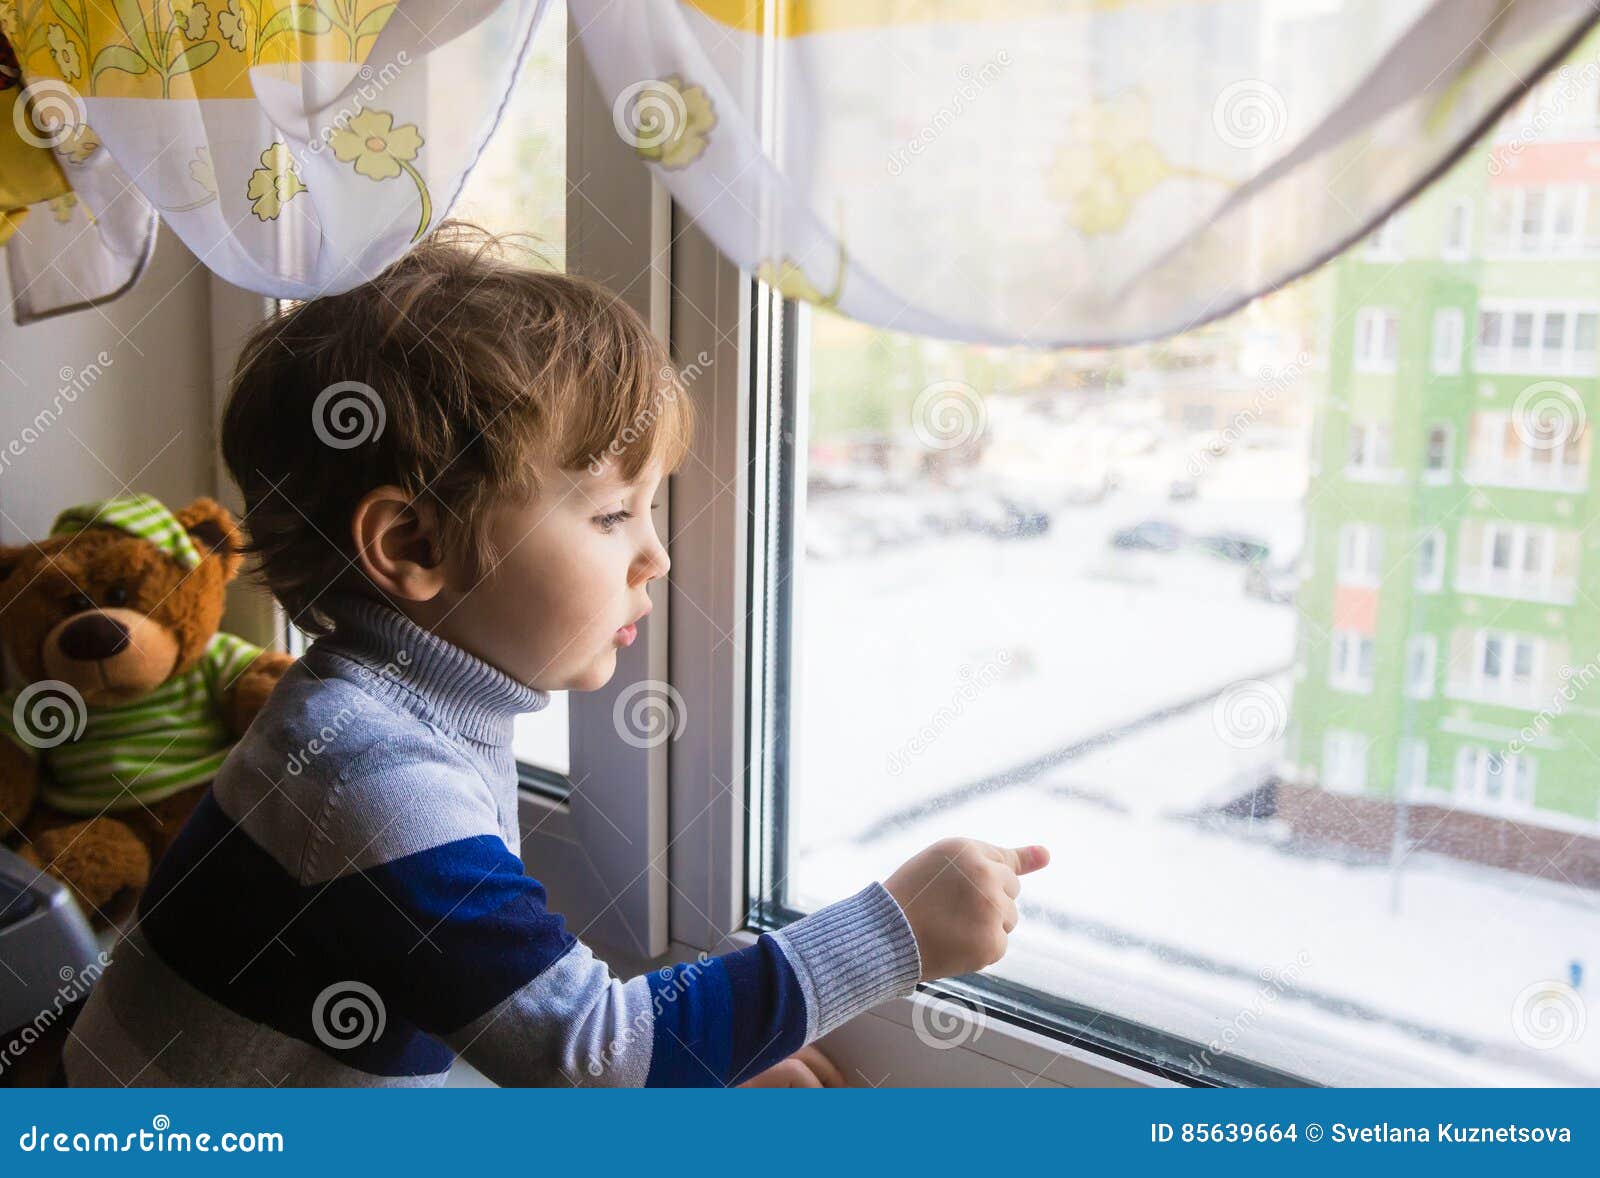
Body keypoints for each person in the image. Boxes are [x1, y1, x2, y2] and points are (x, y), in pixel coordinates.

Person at [64, 224, 1048, 1087]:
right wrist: (892, 931)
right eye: (613, 514)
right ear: (413, 544)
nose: (656, 555)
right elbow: (598, 1063)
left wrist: (702, 1058)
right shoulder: (367, 777)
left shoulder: (374, 713)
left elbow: (472, 1009)